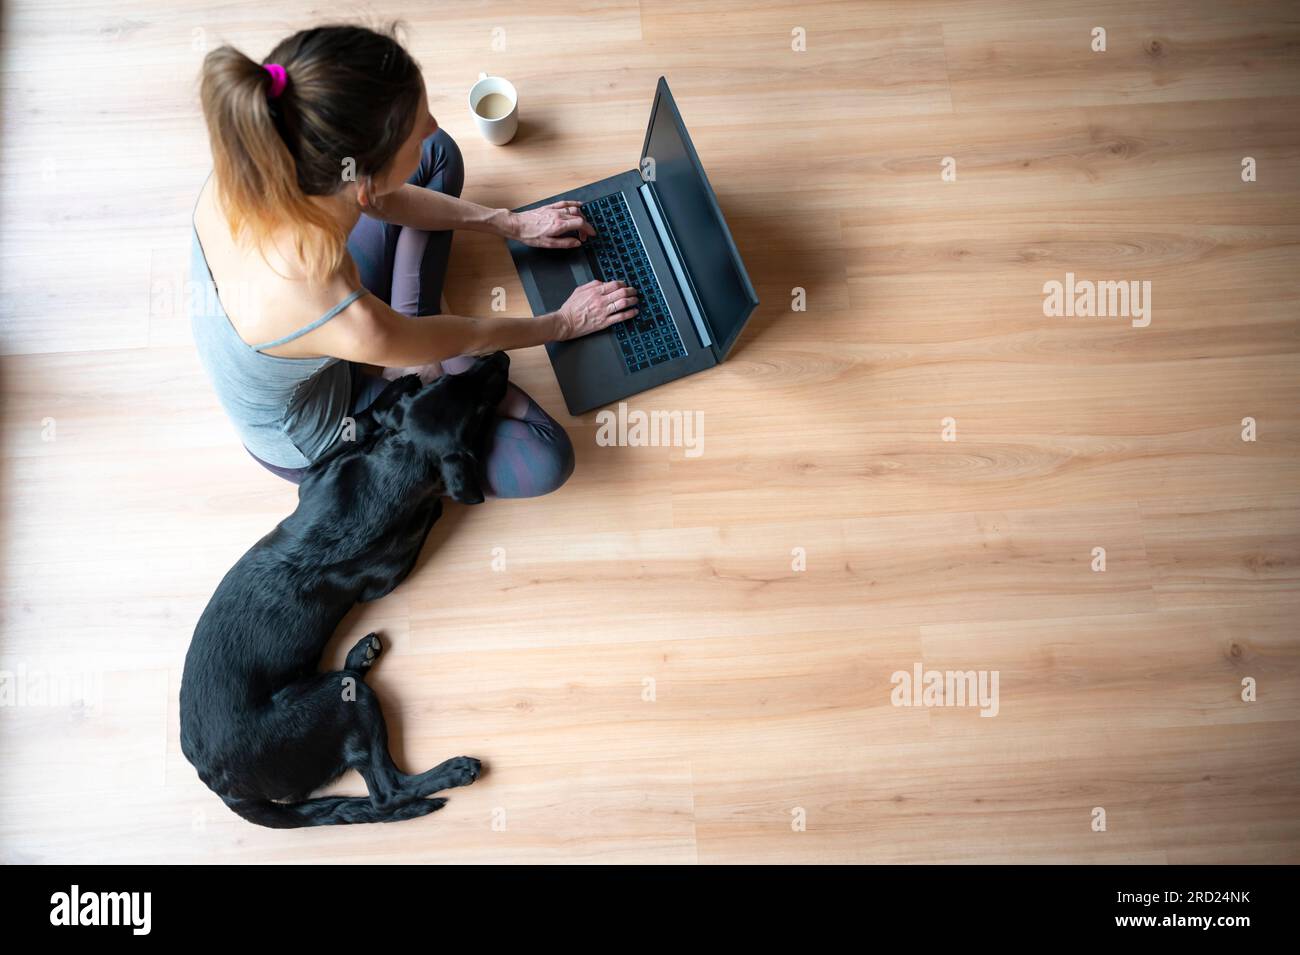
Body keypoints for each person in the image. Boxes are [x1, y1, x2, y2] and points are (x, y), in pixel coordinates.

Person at [189, 22, 639, 495]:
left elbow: (375, 195)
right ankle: (405, 352)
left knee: (438, 155)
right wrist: (563, 323)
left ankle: (407, 343)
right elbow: (469, 334)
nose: (432, 125)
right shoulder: (324, 292)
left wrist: (510, 222)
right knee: (547, 455)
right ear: (362, 178)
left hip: (352, 331)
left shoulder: (262, 154)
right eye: (416, 124)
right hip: (326, 427)